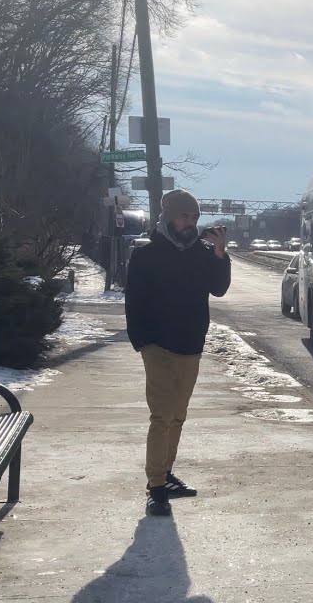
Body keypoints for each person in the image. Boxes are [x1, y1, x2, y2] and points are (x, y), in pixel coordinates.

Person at [125, 189, 232, 516]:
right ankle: (155, 486)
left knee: (178, 415)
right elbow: (134, 302)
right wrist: (142, 341)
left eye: (195, 218)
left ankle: (167, 475)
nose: (190, 222)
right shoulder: (146, 255)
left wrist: (220, 254)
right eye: (185, 216)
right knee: (162, 415)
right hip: (157, 346)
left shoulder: (201, 253)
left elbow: (219, 288)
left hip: (191, 345)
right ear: (168, 216)